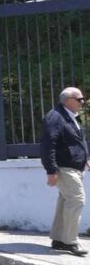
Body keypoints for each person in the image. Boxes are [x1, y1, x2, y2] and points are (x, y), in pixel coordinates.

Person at [41, 87, 89, 256]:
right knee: (77, 200)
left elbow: (77, 141)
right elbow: (48, 144)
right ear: (68, 100)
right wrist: (51, 170)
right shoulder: (55, 117)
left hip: (74, 166)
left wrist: (86, 157)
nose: (83, 102)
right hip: (64, 167)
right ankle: (70, 241)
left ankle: (59, 239)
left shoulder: (70, 116)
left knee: (65, 201)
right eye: (80, 99)